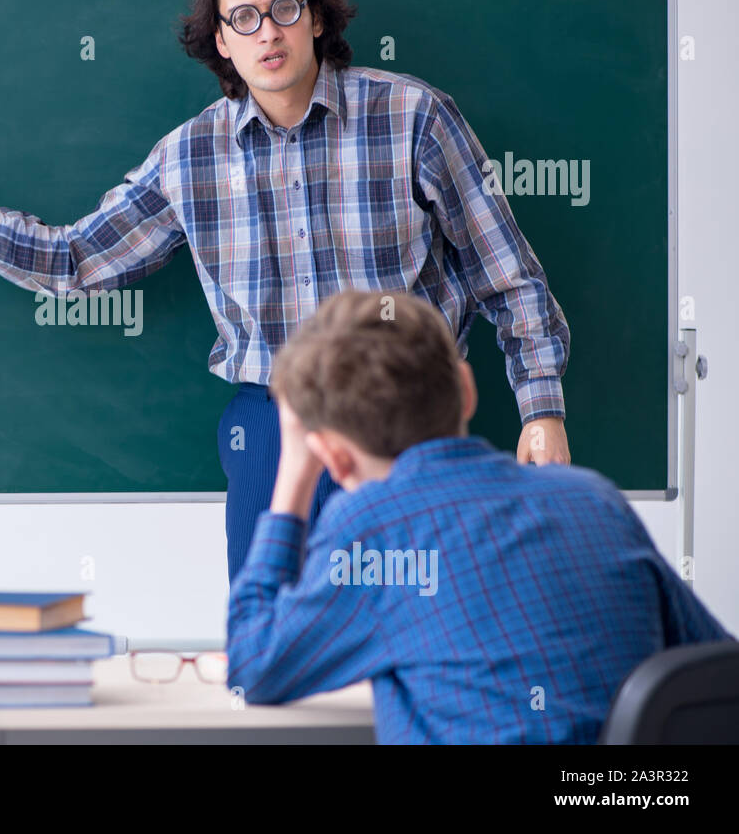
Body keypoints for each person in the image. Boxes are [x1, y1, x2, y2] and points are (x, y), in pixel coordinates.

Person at [0, 0, 571, 583]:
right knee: (268, 648)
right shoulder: (189, 157)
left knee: (419, 629)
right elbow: (74, 261)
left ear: (317, 19)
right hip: (269, 422)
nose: (267, 30)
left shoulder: (415, 116)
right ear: (221, 43)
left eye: (284, 9)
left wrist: (541, 407)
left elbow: (506, 274)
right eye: (244, 18)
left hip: (407, 418)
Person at [225, 289, 731, 743]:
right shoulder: (593, 499)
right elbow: (716, 669)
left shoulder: (373, 529)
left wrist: (293, 471)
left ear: (331, 456)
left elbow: (253, 668)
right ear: (467, 388)